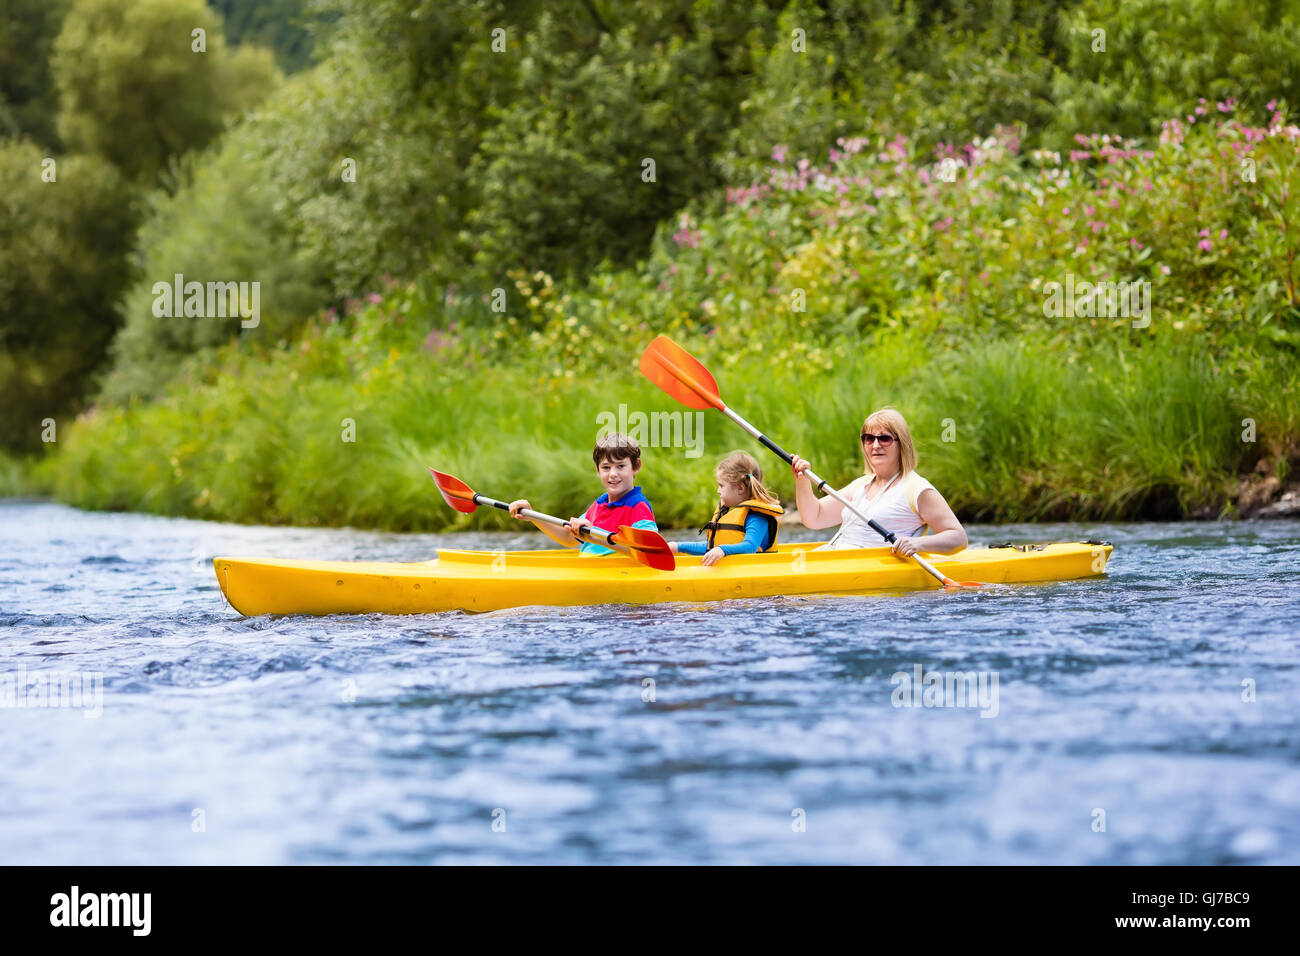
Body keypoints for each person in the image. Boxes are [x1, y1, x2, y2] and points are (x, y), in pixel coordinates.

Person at [790, 408, 967, 557]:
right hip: (840, 562)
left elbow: (958, 538)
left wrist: (917, 544)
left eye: (884, 438)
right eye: (869, 438)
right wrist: (802, 482)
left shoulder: (917, 489)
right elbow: (815, 518)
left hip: (874, 573)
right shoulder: (860, 485)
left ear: (902, 443)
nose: (875, 445)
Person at [507, 433, 657, 554]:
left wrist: (594, 536)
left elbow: (648, 551)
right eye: (606, 467)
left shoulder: (638, 507)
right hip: (591, 572)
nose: (613, 473)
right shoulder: (600, 505)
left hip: (616, 575)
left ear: (636, 466)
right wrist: (532, 516)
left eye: (620, 466)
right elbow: (568, 538)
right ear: (598, 471)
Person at [670, 452, 784, 566]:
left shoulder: (757, 517)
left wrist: (722, 550)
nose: (718, 491)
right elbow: (710, 548)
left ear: (740, 488)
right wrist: (677, 546)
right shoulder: (730, 514)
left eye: (721, 486)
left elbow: (750, 547)